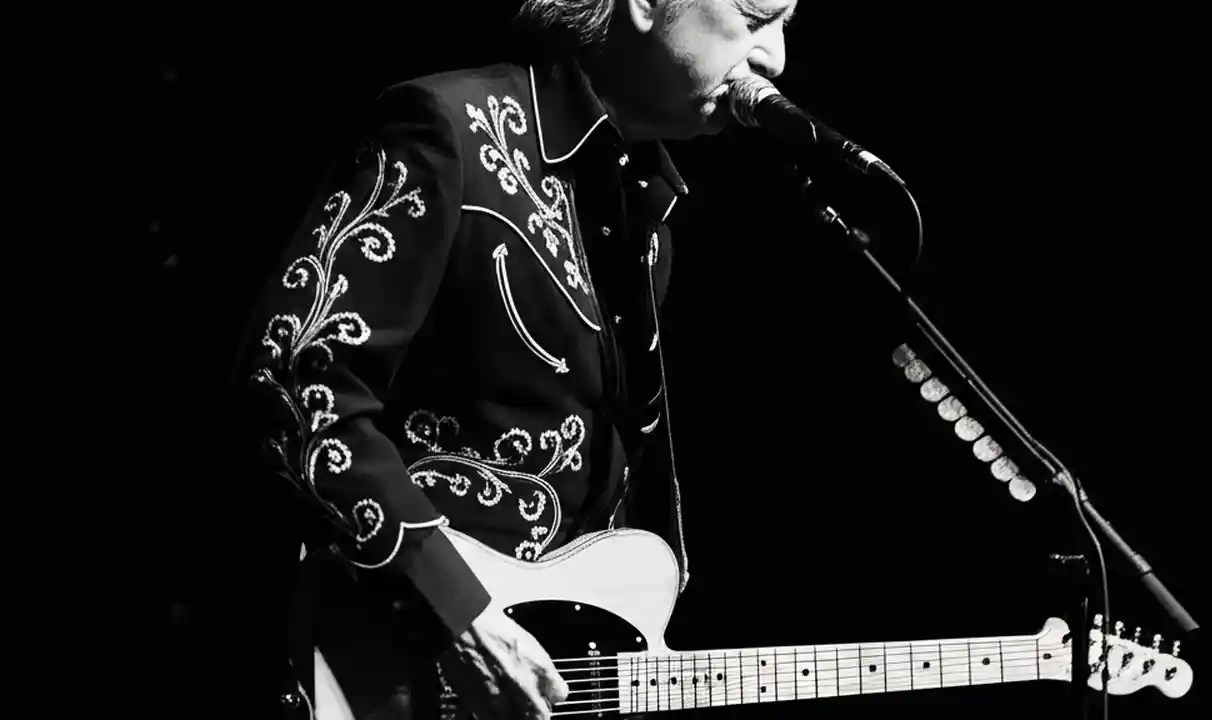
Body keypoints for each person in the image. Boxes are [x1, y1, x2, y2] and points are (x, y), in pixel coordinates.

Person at [227, 1, 795, 718]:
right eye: (757, 16)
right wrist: (455, 615)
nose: (774, 57)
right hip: (376, 666)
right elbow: (292, 379)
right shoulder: (449, 127)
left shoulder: (648, 222)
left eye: (787, 27)